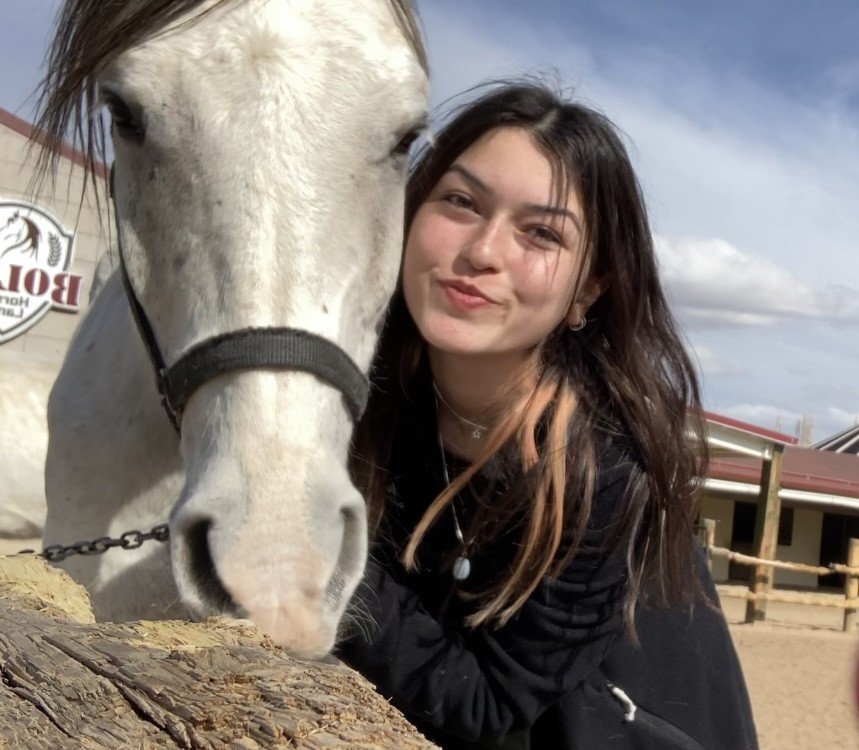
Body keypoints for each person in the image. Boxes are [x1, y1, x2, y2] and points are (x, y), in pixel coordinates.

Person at [337, 81, 758, 750]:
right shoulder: (363, 393)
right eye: (459, 201)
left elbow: (484, 705)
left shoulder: (603, 473)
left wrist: (322, 559)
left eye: (540, 233)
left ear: (587, 288)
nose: (482, 251)